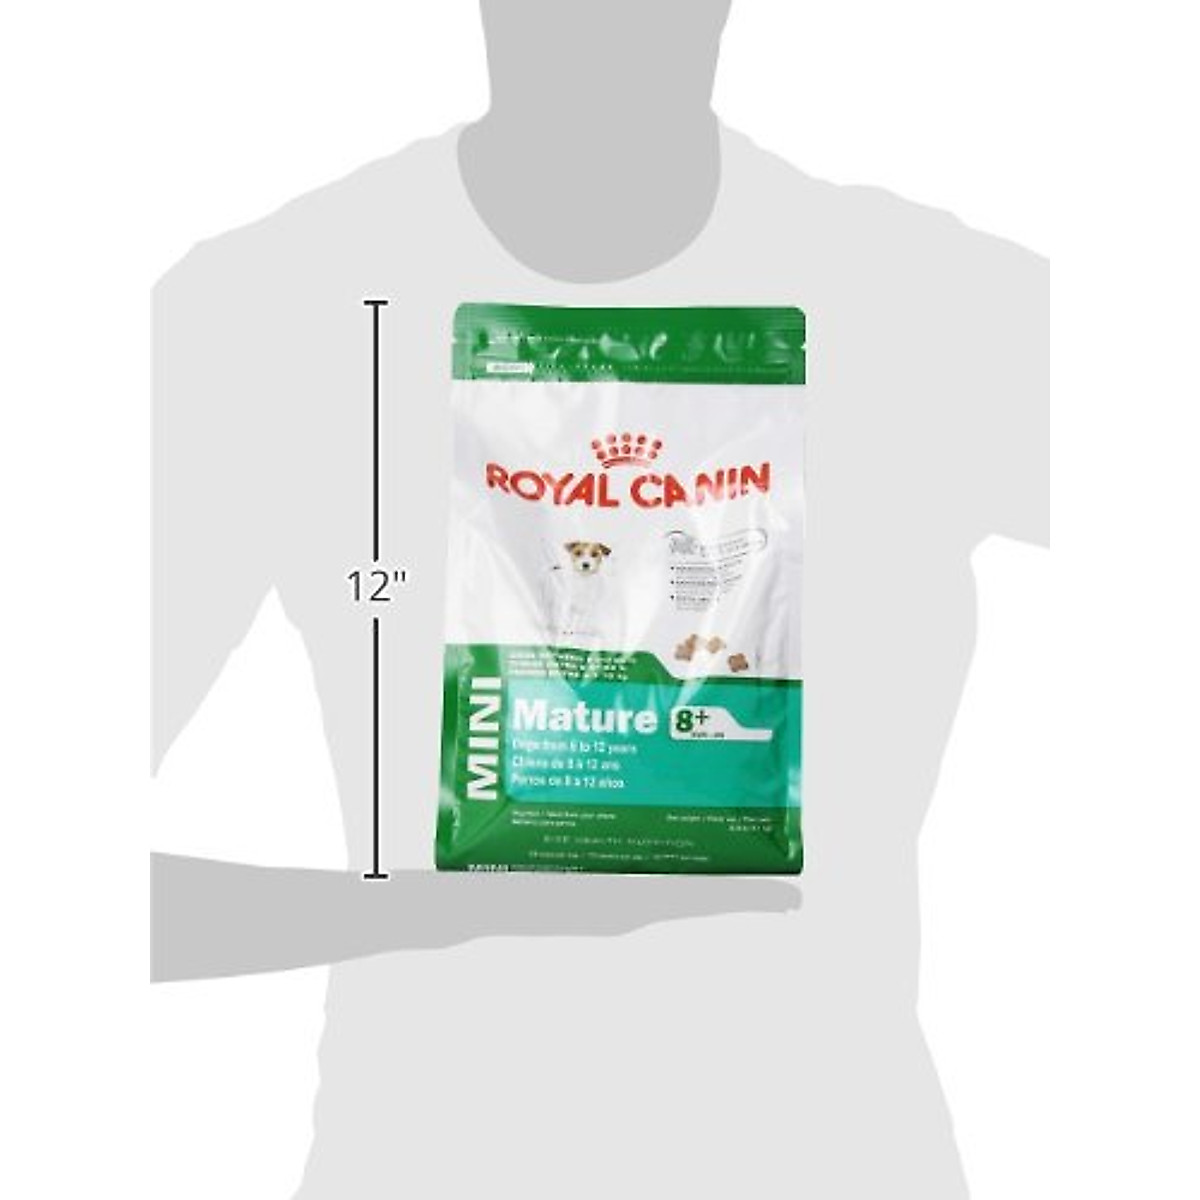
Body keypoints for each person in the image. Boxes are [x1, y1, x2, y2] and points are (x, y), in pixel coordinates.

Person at [154, 2, 1047, 1195]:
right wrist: (413, 918)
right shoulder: (270, 316)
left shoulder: (940, 314)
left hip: (828, 1159)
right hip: (428, 1163)